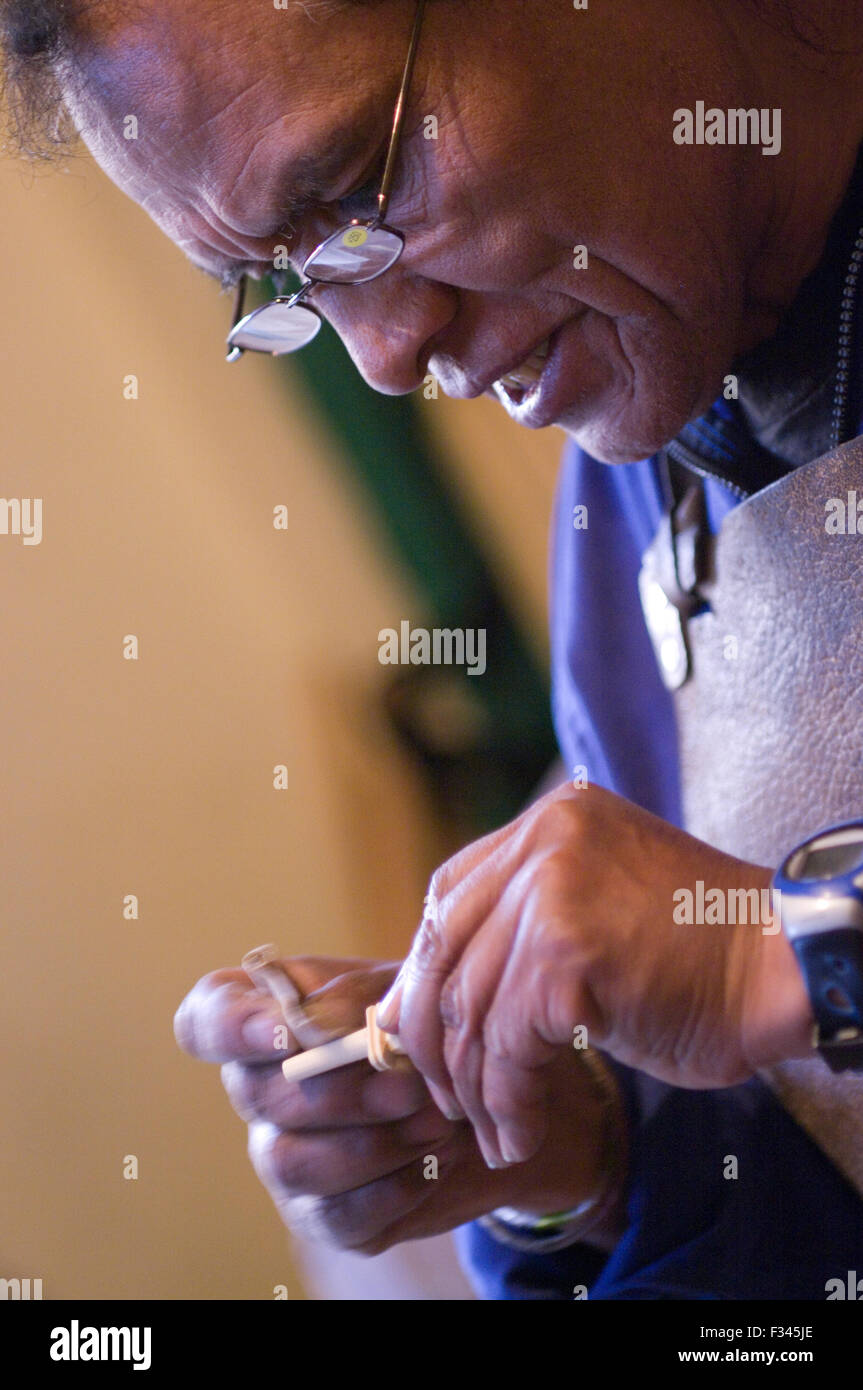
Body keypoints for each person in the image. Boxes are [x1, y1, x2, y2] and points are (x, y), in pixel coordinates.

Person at [5, 0, 863, 1298]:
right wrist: (595, 1158)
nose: (388, 354)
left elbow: (763, 964)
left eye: (358, 186)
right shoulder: (637, 510)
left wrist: (792, 951)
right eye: (289, 283)